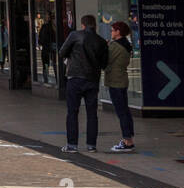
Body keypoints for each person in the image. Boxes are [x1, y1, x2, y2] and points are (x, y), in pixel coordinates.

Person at [58, 14, 110, 153]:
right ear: (95, 26)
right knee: (92, 113)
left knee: (72, 112)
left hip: (75, 77)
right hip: (92, 79)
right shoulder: (101, 41)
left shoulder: (75, 35)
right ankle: (91, 145)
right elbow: (104, 64)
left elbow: (62, 52)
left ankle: (72, 145)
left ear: (83, 25)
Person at [105, 21, 136, 153]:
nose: (111, 32)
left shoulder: (115, 46)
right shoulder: (127, 45)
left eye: (113, 30)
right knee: (125, 110)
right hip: (122, 79)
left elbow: (106, 61)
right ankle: (129, 138)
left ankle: (127, 141)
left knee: (121, 111)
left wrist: (106, 48)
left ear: (118, 32)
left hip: (115, 81)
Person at [39, 14, 57, 84]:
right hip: (53, 47)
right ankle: (57, 79)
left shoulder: (44, 26)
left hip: (46, 48)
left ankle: (46, 80)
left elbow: (40, 38)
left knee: (46, 64)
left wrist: (42, 44)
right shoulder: (55, 27)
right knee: (55, 64)